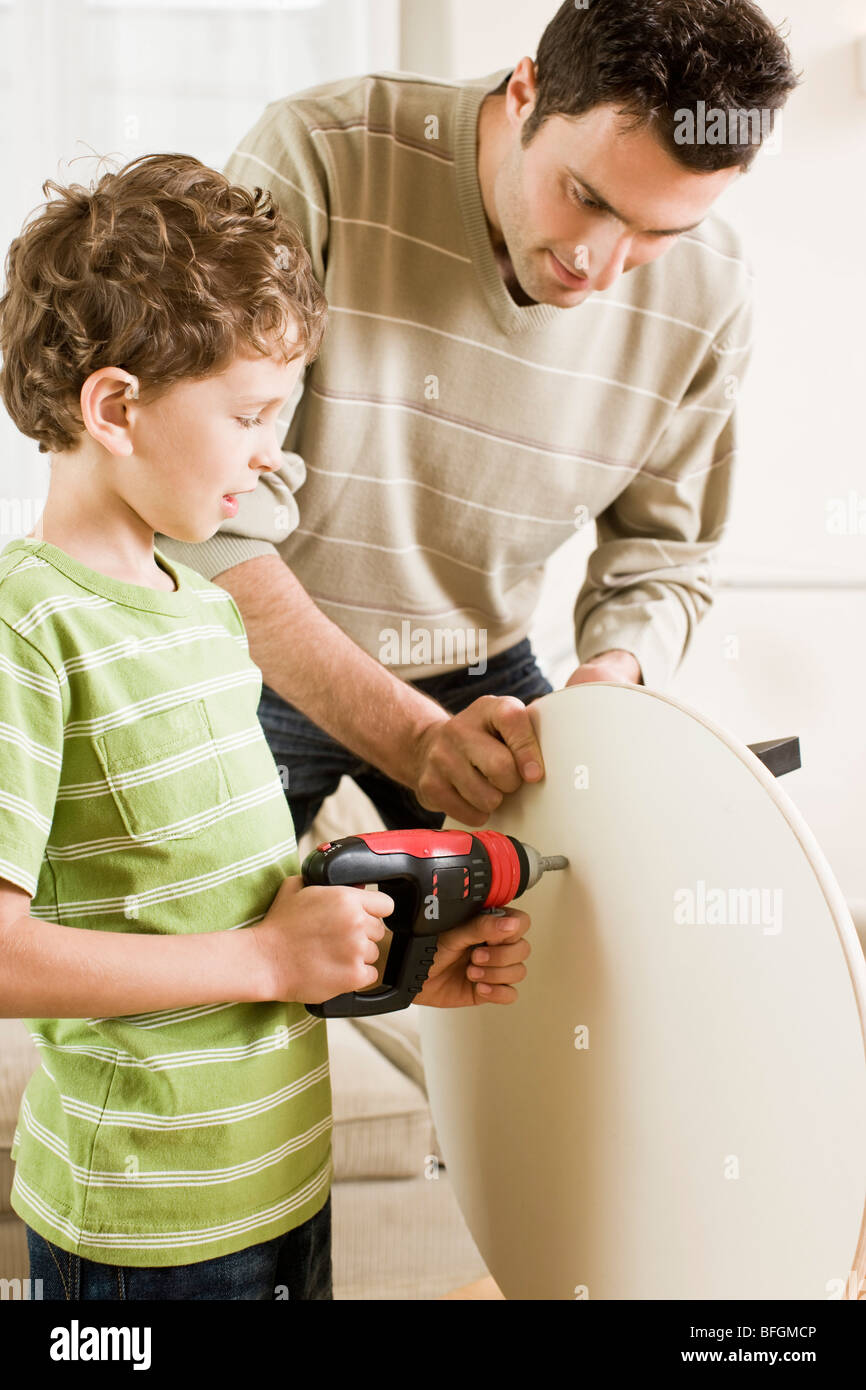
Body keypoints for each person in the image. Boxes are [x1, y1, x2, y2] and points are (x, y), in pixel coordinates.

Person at [0, 153, 531, 1300]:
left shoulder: (200, 609)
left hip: (277, 1188)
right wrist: (264, 956)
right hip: (143, 1234)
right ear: (114, 407)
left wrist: (373, 967)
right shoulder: (27, 626)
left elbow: (224, 895)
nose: (273, 453)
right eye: (247, 414)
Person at [154, 0, 799, 841]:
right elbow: (198, 507)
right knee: (209, 950)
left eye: (658, 233)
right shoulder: (317, 155)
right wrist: (410, 737)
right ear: (526, 90)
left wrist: (612, 680)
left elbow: (665, 556)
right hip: (259, 652)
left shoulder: (713, 291)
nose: (601, 268)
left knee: (592, 917)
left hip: (482, 675)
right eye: (587, 198)